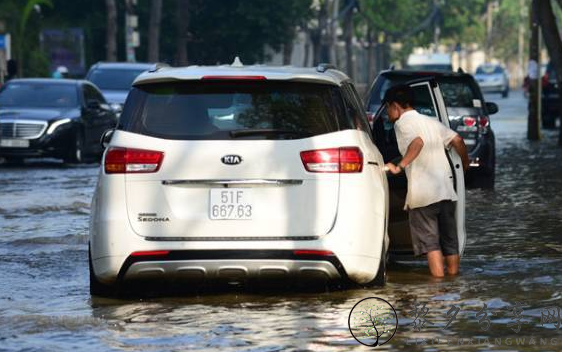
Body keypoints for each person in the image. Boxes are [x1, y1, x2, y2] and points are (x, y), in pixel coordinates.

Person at [383, 84, 469, 278]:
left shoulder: (402, 124)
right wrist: (465, 165)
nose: (388, 113)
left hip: (423, 195)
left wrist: (400, 166)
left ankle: (438, 291)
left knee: (431, 245)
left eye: (388, 107)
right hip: (445, 191)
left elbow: (417, 143)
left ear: (395, 106)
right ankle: (452, 285)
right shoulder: (431, 121)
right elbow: (458, 140)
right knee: (450, 242)